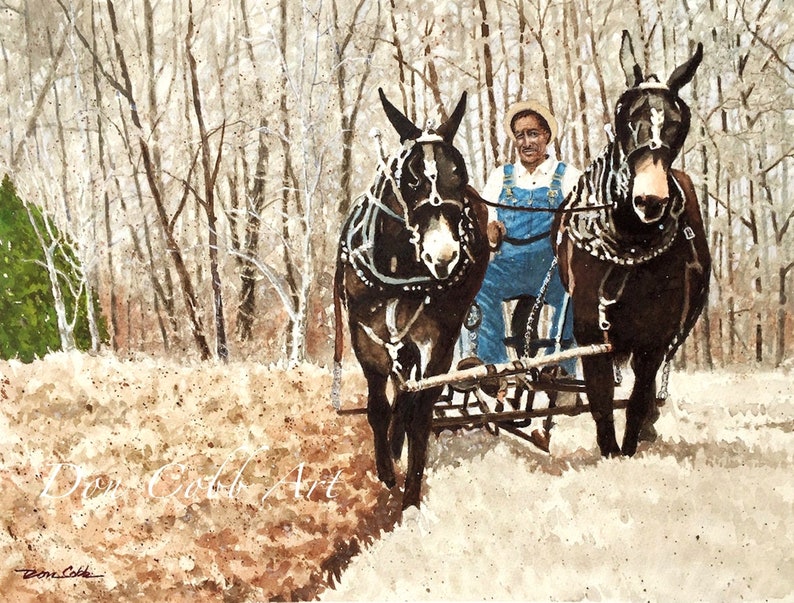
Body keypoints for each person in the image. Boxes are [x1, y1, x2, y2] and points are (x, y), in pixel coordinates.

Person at [471, 100, 582, 371]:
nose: (526, 142)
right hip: (509, 267)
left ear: (546, 136)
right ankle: (492, 366)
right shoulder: (501, 176)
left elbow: (583, 221)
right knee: (478, 285)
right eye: (520, 135)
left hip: (552, 269)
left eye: (533, 134)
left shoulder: (568, 176)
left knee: (577, 293)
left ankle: (558, 365)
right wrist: (491, 232)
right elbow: (487, 219)